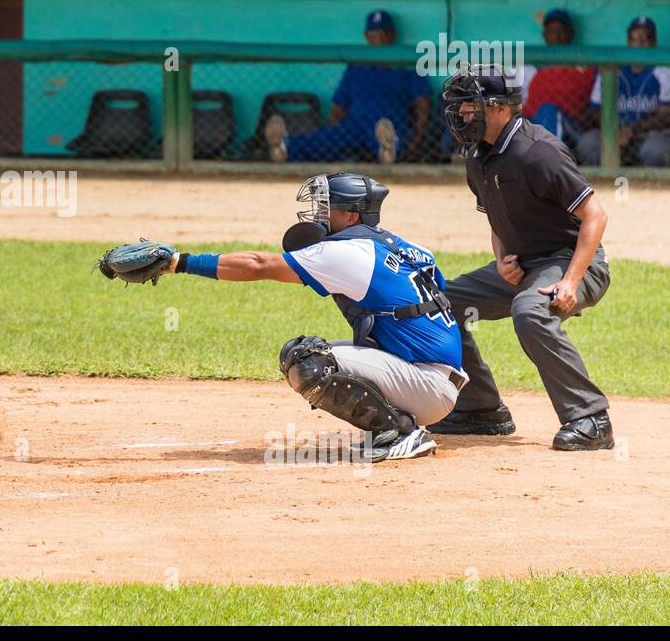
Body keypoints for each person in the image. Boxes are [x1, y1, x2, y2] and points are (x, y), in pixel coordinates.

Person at [101, 172, 465, 463]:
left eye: (327, 209)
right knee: (315, 356)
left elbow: (259, 265)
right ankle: (401, 423)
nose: (317, 215)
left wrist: (180, 263)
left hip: (424, 384)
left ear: (351, 216)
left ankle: (400, 433)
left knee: (306, 361)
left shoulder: (349, 253)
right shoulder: (407, 248)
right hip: (430, 377)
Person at [431, 65, 613, 450]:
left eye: (470, 106)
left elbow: (594, 215)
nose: (462, 114)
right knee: (442, 302)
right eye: (460, 106)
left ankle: (591, 419)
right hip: (524, 263)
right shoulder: (477, 156)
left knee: (530, 312)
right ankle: (481, 409)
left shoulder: (537, 152)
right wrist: (501, 259)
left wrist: (572, 280)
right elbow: (497, 218)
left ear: (500, 108)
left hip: (576, 260)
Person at [265, 11, 432, 165]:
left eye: (385, 33)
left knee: (390, 137)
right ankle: (284, 147)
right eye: (375, 33)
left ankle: (388, 151)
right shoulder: (356, 66)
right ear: (367, 36)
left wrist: (416, 140)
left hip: (389, 124)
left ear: (393, 35)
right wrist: (334, 132)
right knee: (323, 140)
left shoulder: (409, 64)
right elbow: (339, 107)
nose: (380, 38)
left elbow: (423, 106)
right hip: (355, 124)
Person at [575, 16, 670, 167]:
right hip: (612, 133)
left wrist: (632, 130)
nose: (639, 44)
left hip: (647, 134)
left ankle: (650, 186)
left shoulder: (664, 70)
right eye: (634, 39)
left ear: (654, 43)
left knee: (656, 149)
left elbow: (666, 114)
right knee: (587, 143)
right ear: (628, 43)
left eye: (645, 39)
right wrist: (614, 130)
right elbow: (595, 111)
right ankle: (604, 183)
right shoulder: (611, 69)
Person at [517, 9, 595, 147]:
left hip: (572, 128)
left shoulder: (584, 67)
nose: (557, 37)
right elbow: (521, 106)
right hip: (535, 125)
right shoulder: (532, 67)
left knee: (549, 112)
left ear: (571, 34)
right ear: (544, 35)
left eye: (562, 31)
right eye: (552, 31)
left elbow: (594, 108)